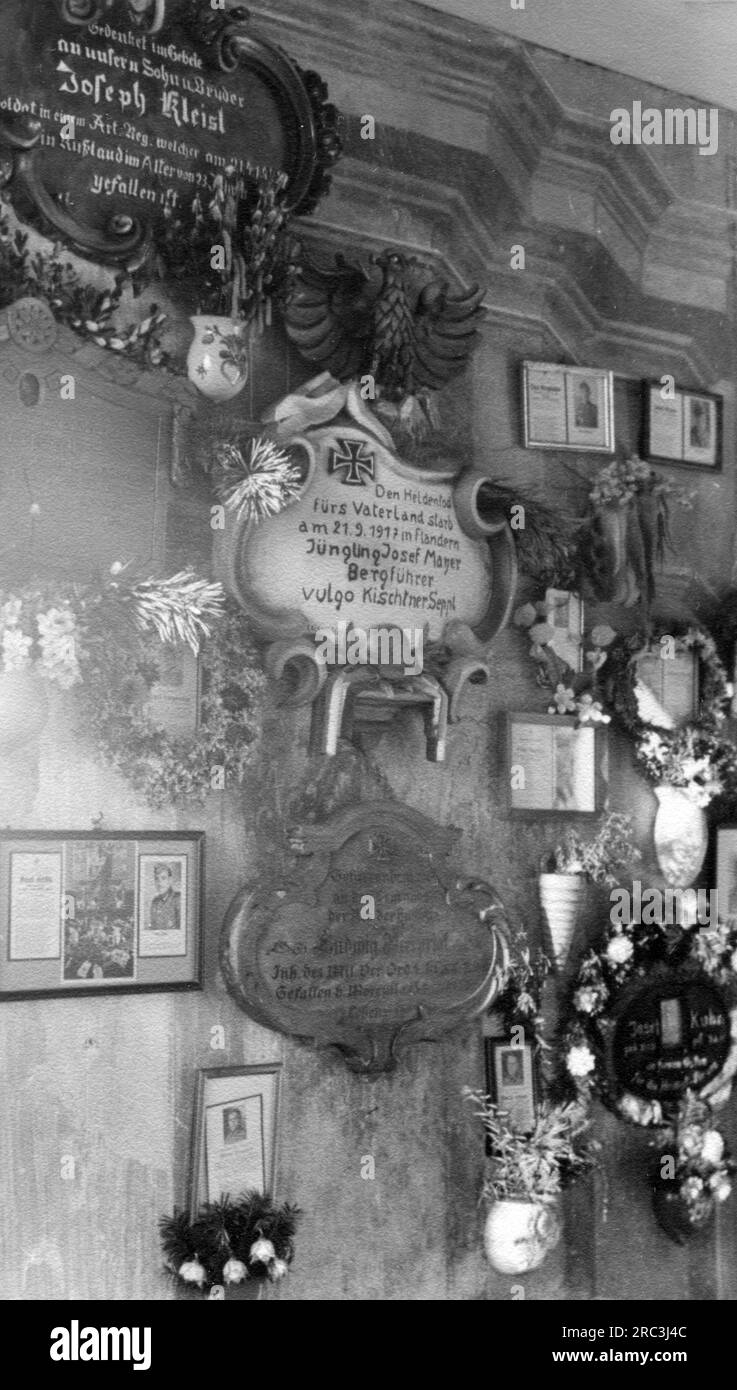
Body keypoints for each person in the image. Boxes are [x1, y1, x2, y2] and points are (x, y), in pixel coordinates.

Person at [148, 863, 181, 932]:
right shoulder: (155, 902)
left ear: (170, 880)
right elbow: (152, 929)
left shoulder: (179, 899)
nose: (159, 883)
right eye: (156, 879)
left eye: (163, 878)